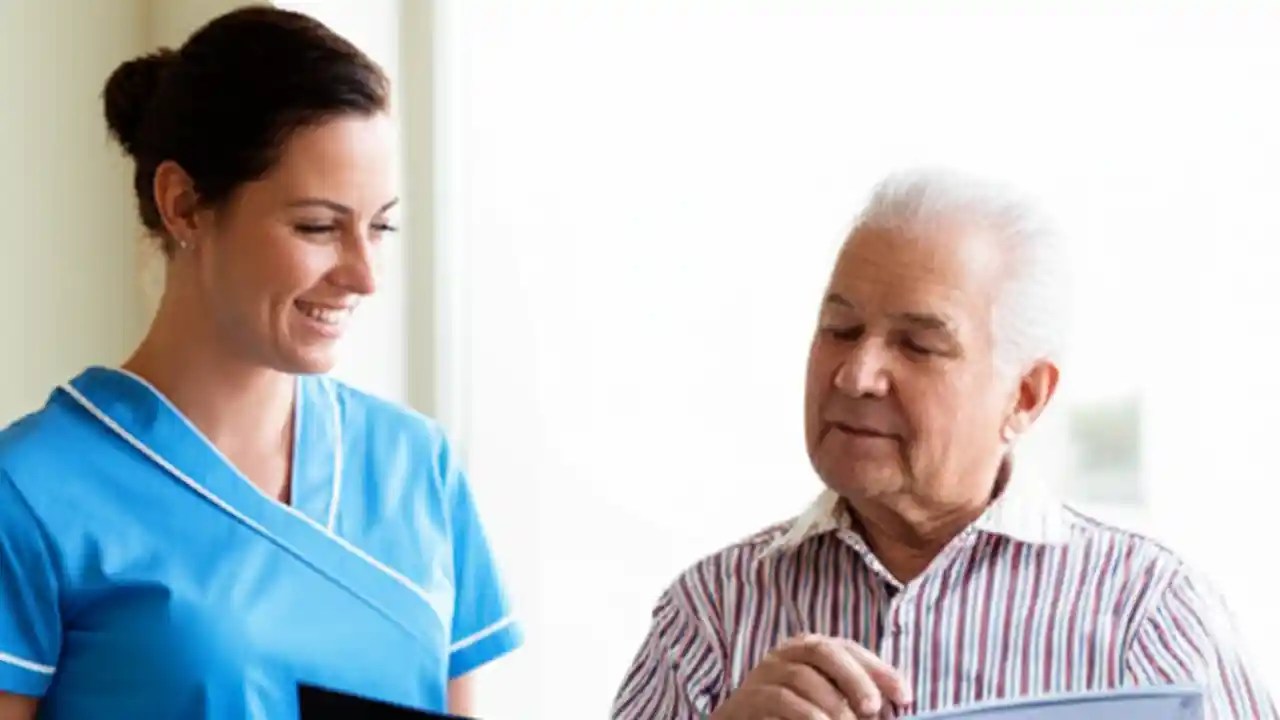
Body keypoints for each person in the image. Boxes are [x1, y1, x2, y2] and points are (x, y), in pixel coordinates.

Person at [0, 7, 519, 719]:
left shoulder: (416, 468)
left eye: (382, 226)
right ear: (182, 205)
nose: (365, 275)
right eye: (317, 227)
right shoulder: (29, 494)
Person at [612, 170, 1275, 720]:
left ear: (1025, 397)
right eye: (840, 329)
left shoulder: (1147, 614)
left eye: (918, 345)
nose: (856, 374)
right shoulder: (711, 612)